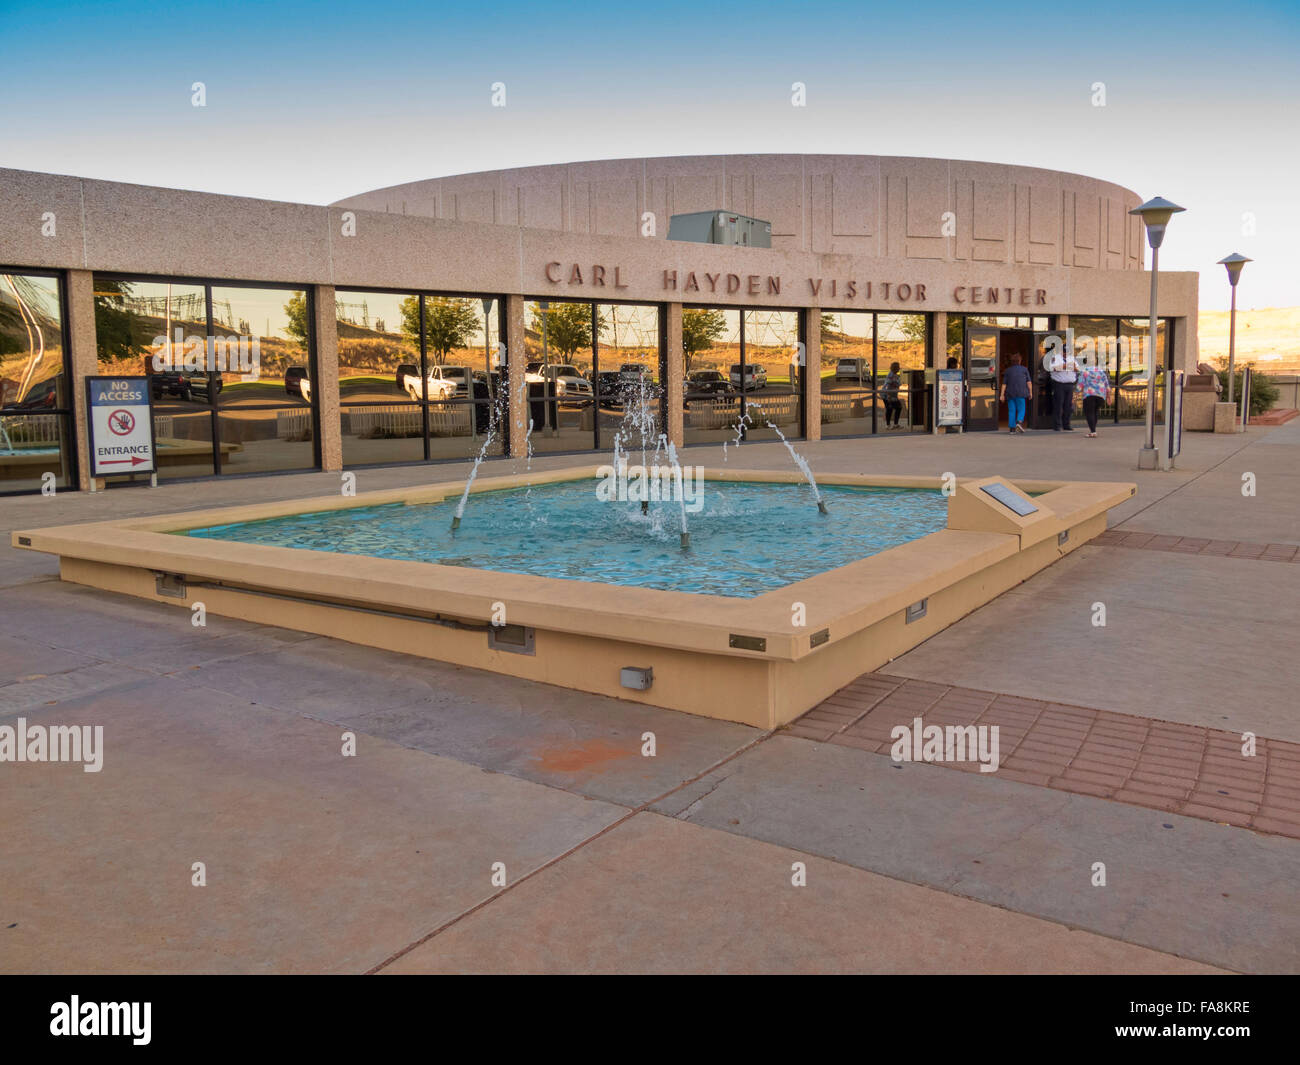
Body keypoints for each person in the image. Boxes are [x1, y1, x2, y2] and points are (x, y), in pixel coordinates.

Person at [1046, 341, 1079, 431]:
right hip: (1059, 384)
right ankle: (1057, 425)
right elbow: (1053, 368)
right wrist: (1065, 366)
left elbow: (1077, 369)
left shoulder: (1073, 358)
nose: (1066, 354)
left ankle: (1066, 424)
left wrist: (1073, 367)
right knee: (1058, 405)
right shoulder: (1055, 358)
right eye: (1064, 352)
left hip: (1070, 384)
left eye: (1067, 352)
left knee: (1068, 405)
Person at [1076, 357, 1112, 437]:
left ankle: (1093, 431)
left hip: (1089, 394)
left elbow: (1080, 384)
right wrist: (1109, 396)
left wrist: (1076, 394)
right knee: (1095, 412)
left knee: (1089, 412)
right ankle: (1093, 430)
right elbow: (1107, 384)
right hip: (1100, 395)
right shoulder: (1101, 372)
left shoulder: (1085, 371)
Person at [999, 352, 1031, 433]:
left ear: (1012, 361)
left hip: (1010, 393)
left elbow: (1004, 384)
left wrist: (1002, 395)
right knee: (1021, 409)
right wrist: (1030, 392)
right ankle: (1019, 422)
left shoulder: (1007, 371)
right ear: (1020, 361)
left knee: (1011, 410)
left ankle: (1012, 429)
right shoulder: (1024, 369)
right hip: (1021, 392)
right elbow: (1029, 382)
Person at [882, 361, 903, 429]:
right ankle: (889, 425)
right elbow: (887, 386)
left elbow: (897, 384)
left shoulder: (894, 375)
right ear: (895, 368)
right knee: (892, 408)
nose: (899, 369)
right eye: (898, 368)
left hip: (893, 395)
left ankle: (894, 424)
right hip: (888, 395)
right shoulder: (891, 376)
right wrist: (889, 396)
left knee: (895, 408)